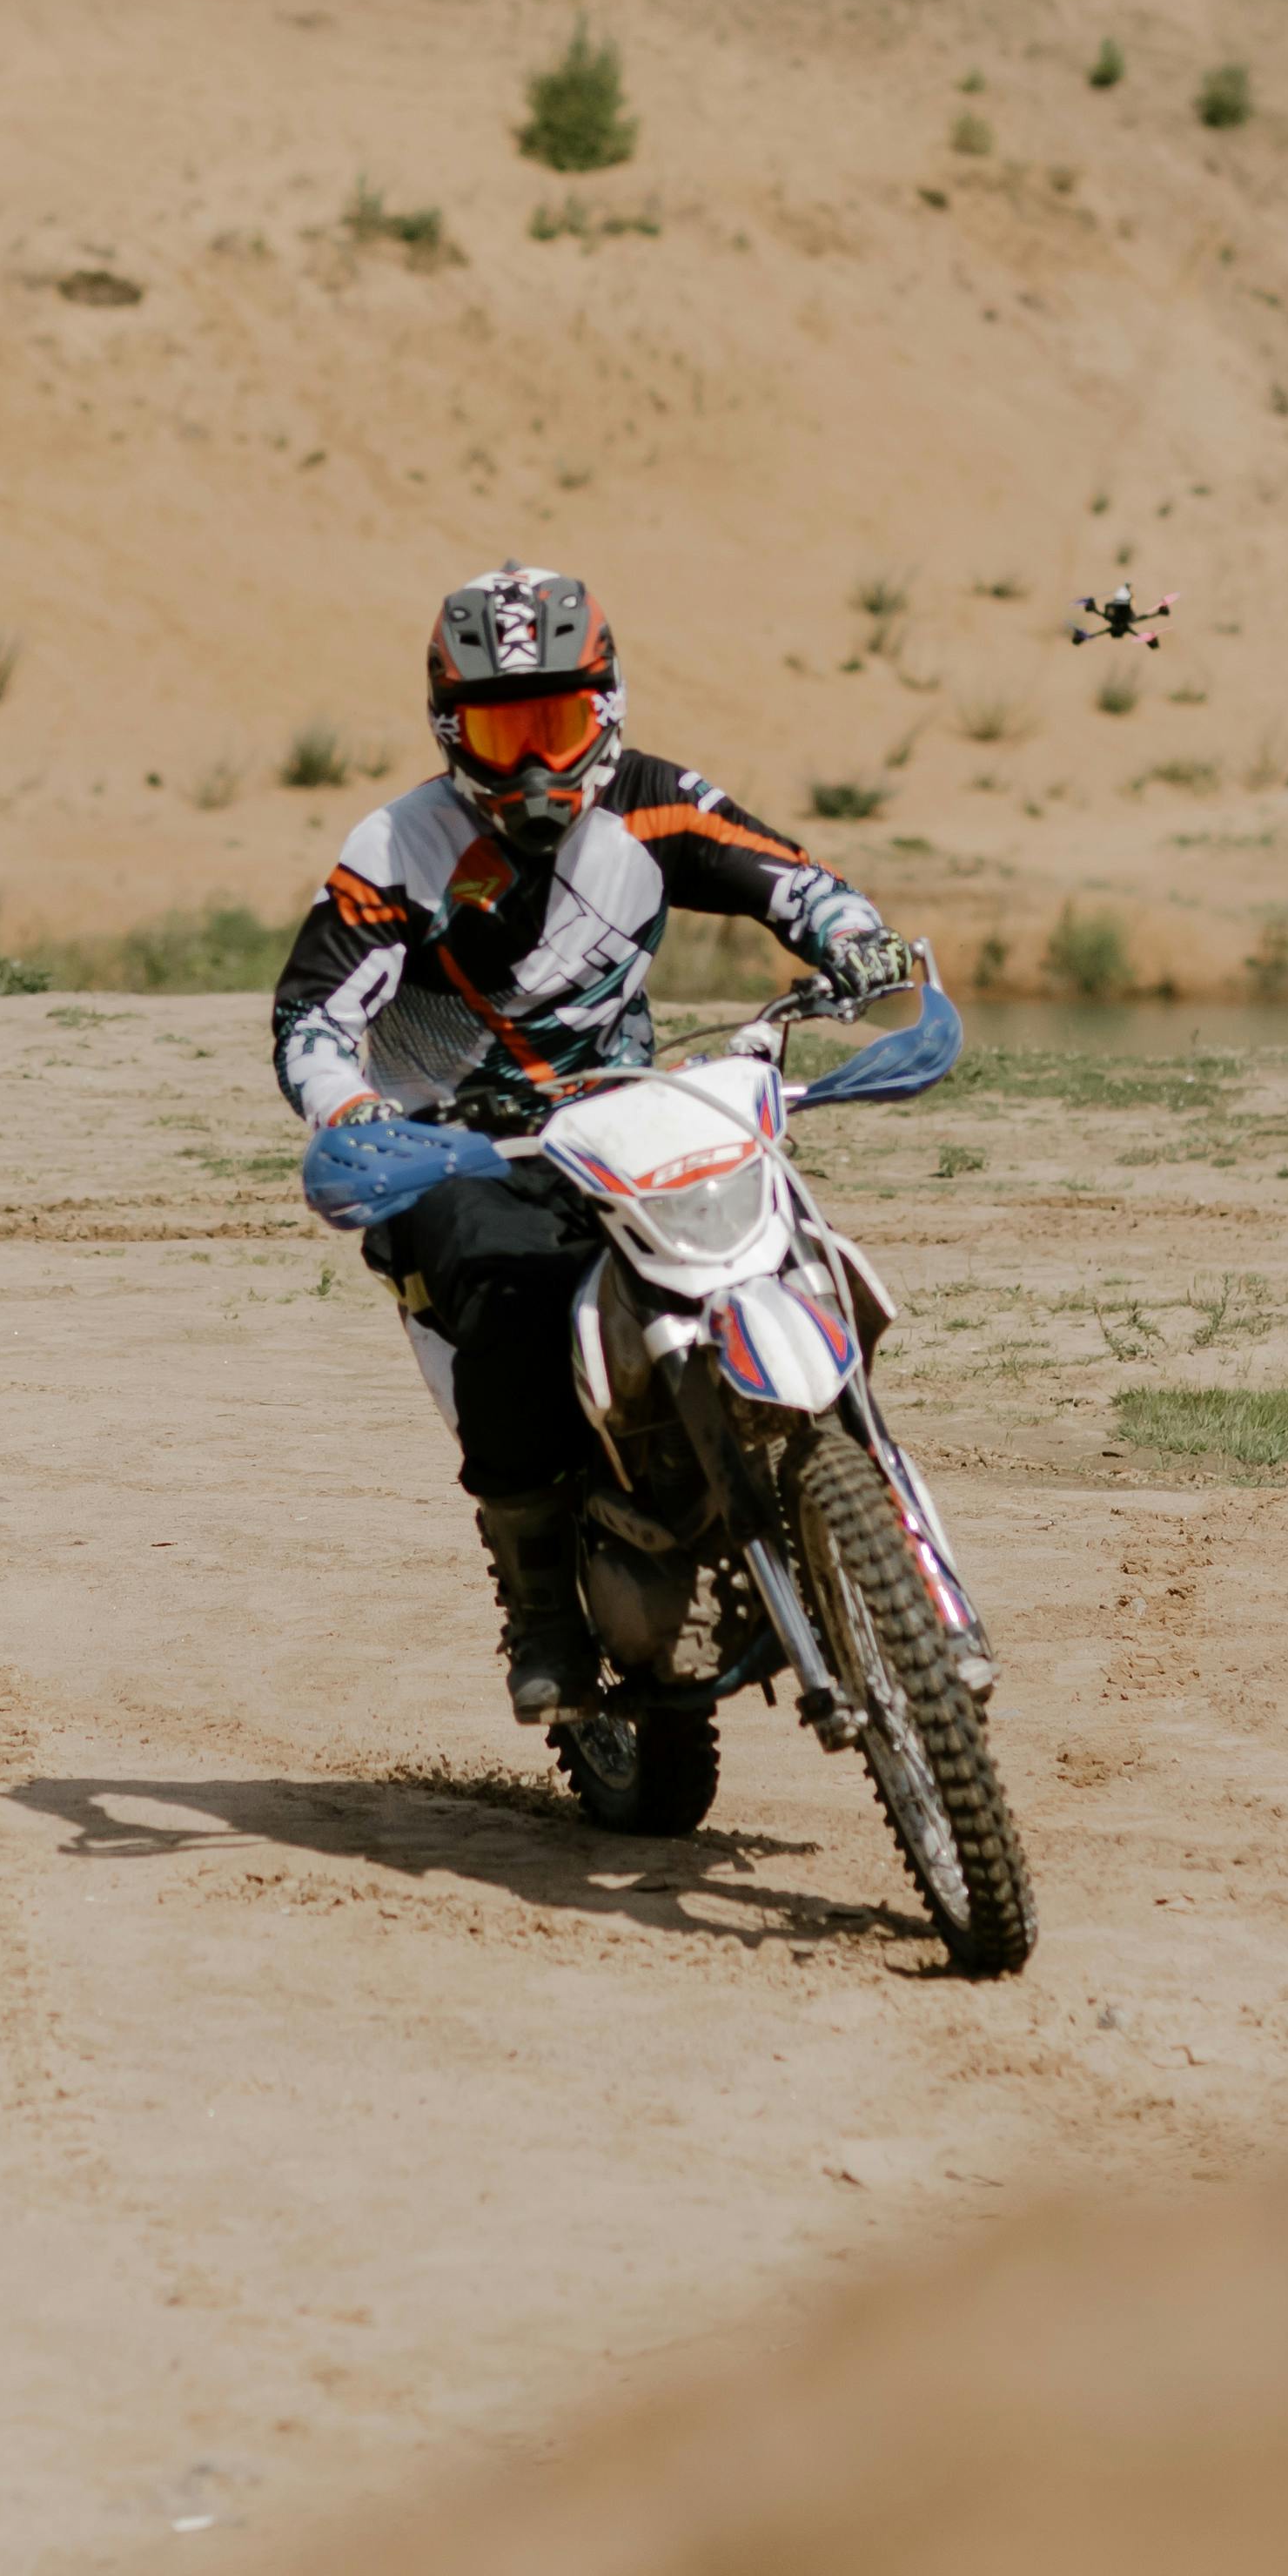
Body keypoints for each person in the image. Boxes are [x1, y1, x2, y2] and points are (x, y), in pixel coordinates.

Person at [269, 564, 922, 1726]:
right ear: (448, 730)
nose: (531, 764)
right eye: (499, 731)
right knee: (514, 1303)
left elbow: (797, 884)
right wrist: (351, 1110)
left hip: (623, 1119)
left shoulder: (654, 800)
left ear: (604, 712)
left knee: (769, 1228)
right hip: (455, 1150)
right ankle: (543, 1613)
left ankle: (827, 1475)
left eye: (554, 725)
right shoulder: (398, 846)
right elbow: (312, 1018)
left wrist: (858, 939)